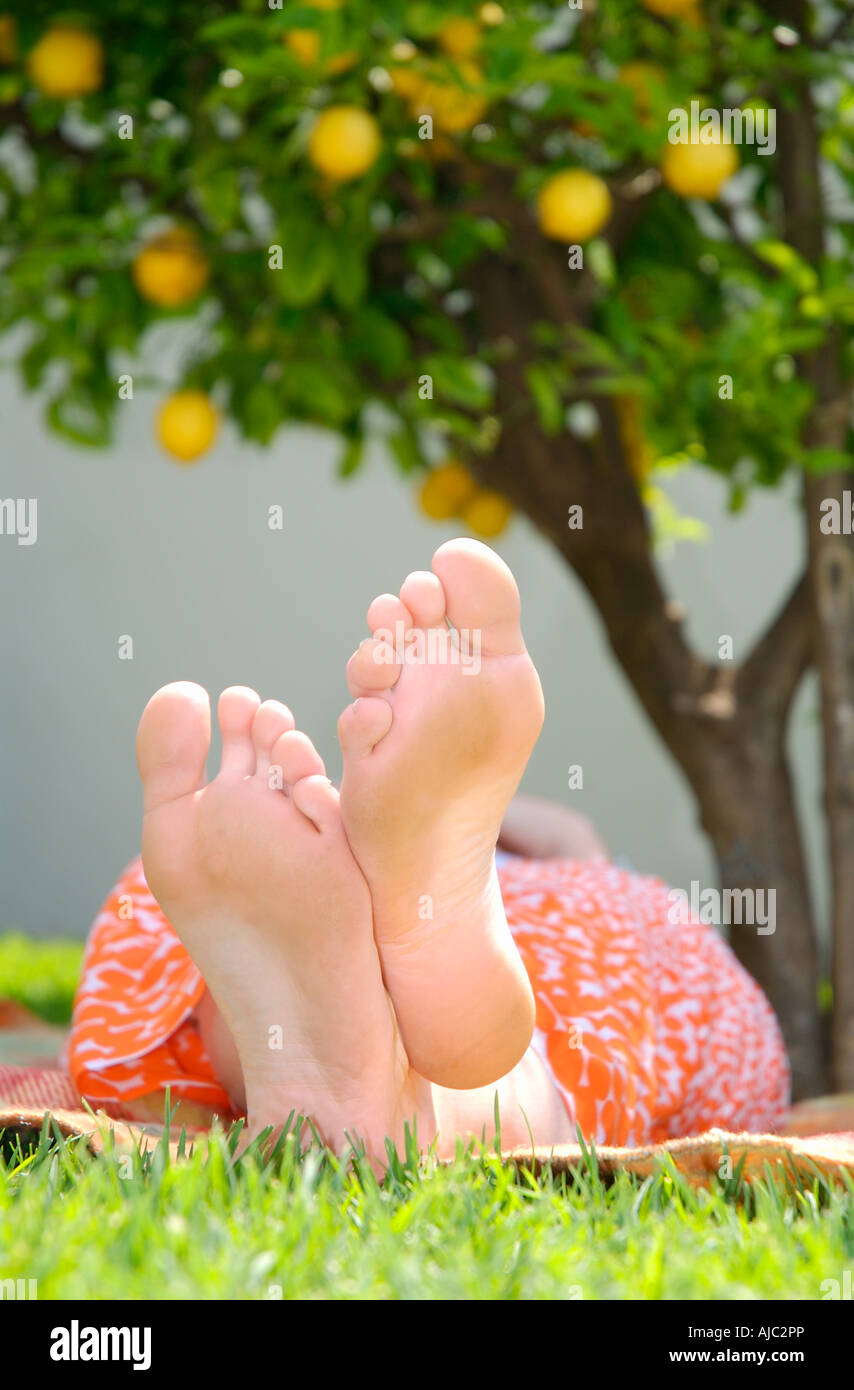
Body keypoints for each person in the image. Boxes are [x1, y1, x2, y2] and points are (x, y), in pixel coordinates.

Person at [68, 540, 789, 1161]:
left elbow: (544, 829)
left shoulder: (318, 855)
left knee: (255, 931)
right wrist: (492, 827)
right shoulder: (597, 883)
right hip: (585, 931)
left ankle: (281, 1042)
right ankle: (435, 1108)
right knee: (581, 1003)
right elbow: (565, 840)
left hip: (365, 893)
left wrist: (396, 822)